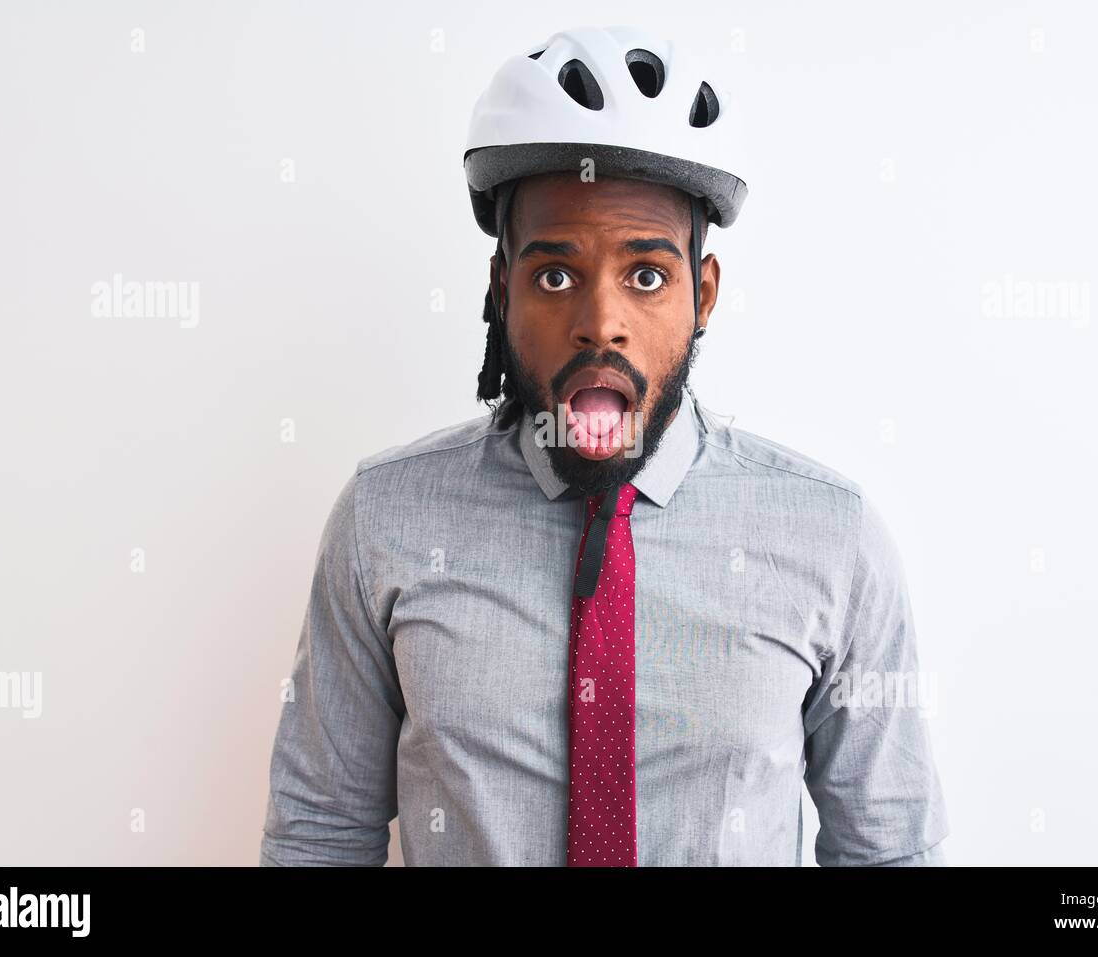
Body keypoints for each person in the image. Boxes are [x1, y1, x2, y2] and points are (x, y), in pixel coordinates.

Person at [260, 24, 949, 866]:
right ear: (500, 290)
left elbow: (889, 851)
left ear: (703, 295)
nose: (601, 322)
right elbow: (320, 836)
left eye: (647, 275)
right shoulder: (384, 521)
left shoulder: (834, 540)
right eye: (554, 275)